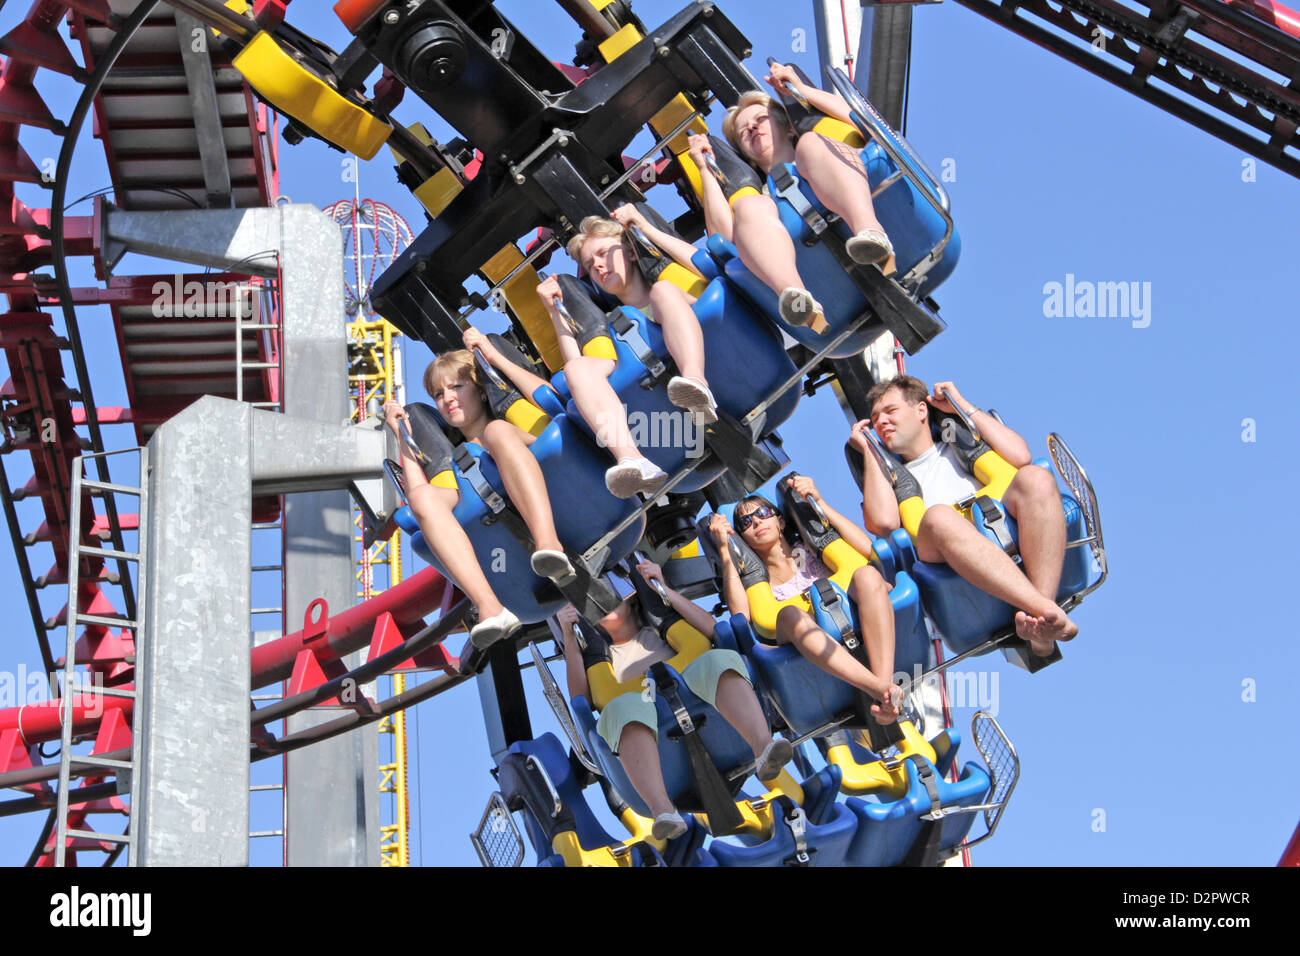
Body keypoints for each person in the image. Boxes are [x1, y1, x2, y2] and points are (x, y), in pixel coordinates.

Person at [557, 558, 793, 840]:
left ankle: (764, 747)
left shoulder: (662, 628)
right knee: (621, 708)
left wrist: (663, 589)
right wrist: (570, 638)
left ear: (629, 598)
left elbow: (712, 629)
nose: (602, 605)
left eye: (606, 596)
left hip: (706, 702)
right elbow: (579, 702)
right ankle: (662, 810)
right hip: (647, 727)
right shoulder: (601, 662)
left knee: (718, 659)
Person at [382, 329, 577, 649]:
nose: (447, 398)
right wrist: (402, 434)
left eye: (457, 386)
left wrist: (493, 356)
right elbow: (419, 503)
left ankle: (549, 545)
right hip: (519, 576)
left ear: (482, 390)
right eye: (438, 394)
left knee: (499, 432)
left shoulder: (512, 425)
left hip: (572, 496)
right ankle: (490, 607)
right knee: (420, 497)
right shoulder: (454, 473)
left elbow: (550, 401)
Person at [859, 375, 1077, 657]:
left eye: (890, 411)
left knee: (1036, 476)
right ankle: (1045, 610)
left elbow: (1021, 456)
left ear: (921, 410)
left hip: (1001, 519)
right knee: (938, 517)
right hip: (943, 550)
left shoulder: (961, 441)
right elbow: (883, 523)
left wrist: (961, 405)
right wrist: (868, 448)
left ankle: (1041, 626)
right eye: (875, 419)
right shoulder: (888, 478)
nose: (881, 422)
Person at [686, 61, 894, 331]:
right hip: (822, 284)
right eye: (742, 131)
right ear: (744, 156)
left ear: (788, 127)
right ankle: (795, 296)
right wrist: (705, 170)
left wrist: (800, 90)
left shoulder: (823, 146)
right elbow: (723, 239)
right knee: (750, 204)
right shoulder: (757, 203)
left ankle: (871, 233)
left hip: (869, 208)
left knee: (810, 144)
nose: (751, 128)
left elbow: (864, 123)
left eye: (761, 119)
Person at [536, 210, 714, 497]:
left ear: (631, 252)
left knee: (663, 292)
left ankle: (696, 383)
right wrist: (555, 312)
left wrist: (644, 229)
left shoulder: (671, 290)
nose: (599, 266)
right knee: (576, 370)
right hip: (667, 429)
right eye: (590, 265)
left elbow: (708, 268)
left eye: (604, 253)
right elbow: (577, 372)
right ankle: (633, 460)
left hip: (717, 373)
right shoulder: (614, 334)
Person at [708, 476, 903, 723]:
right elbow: (740, 616)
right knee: (789, 615)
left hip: (860, 619)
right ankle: (880, 690)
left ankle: (883, 689)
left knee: (867, 575)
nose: (756, 520)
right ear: (743, 538)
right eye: (746, 522)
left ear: (780, 521)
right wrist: (725, 550)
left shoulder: (811, 551)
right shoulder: (761, 585)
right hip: (806, 657)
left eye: (763, 512)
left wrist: (819, 501)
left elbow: (868, 549)